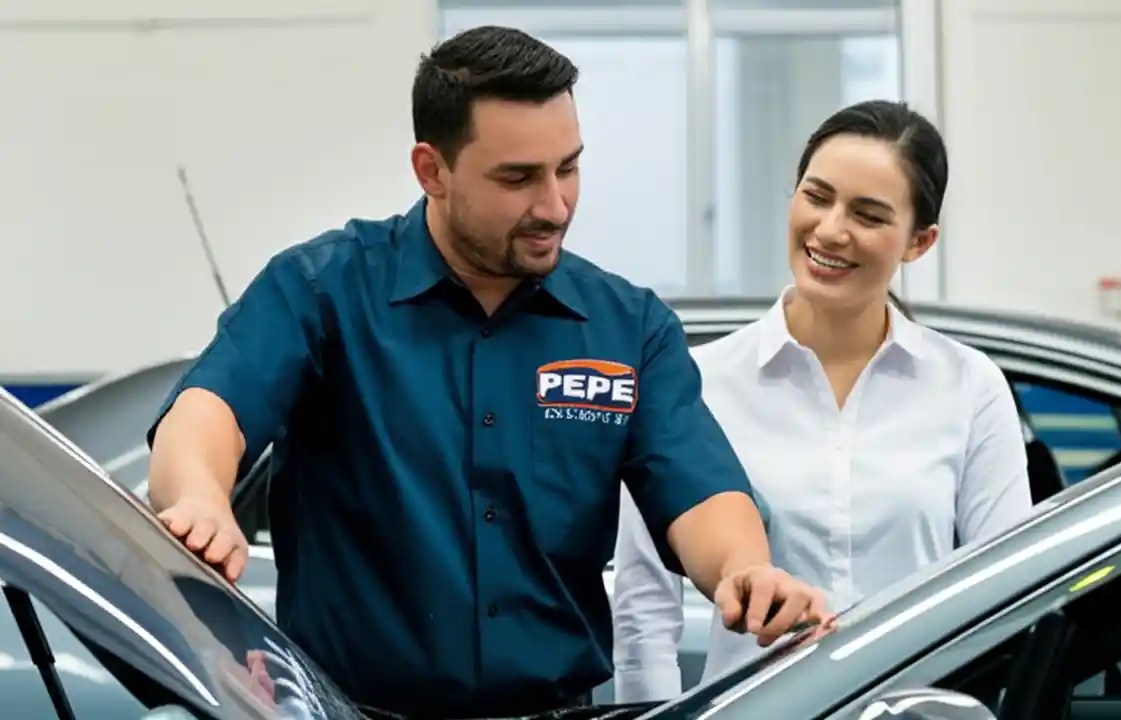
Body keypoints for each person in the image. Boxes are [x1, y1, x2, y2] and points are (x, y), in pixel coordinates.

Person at [144, 25, 828, 720]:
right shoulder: (324, 292)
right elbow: (209, 412)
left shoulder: (627, 328)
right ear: (431, 170)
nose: (555, 206)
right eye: (518, 178)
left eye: (569, 168)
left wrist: (744, 570)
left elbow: (698, 487)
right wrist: (201, 498)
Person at [610, 100, 1034, 702]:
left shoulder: (969, 387)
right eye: (817, 196)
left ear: (919, 242)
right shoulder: (697, 381)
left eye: (868, 214)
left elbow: (1008, 594)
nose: (831, 229)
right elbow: (644, 609)